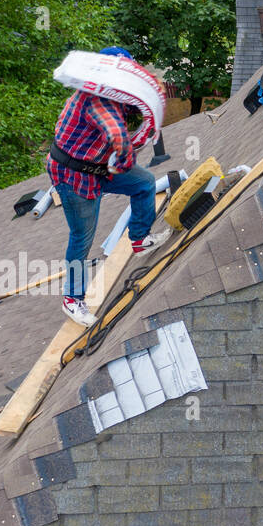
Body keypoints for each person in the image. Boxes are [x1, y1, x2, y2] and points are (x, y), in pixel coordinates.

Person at [48, 46, 170, 326]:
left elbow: (124, 118)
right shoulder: (97, 100)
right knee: (82, 236)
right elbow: (117, 134)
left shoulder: (114, 96)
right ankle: (72, 299)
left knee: (144, 183)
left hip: (98, 164)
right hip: (74, 175)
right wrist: (124, 161)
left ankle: (139, 239)